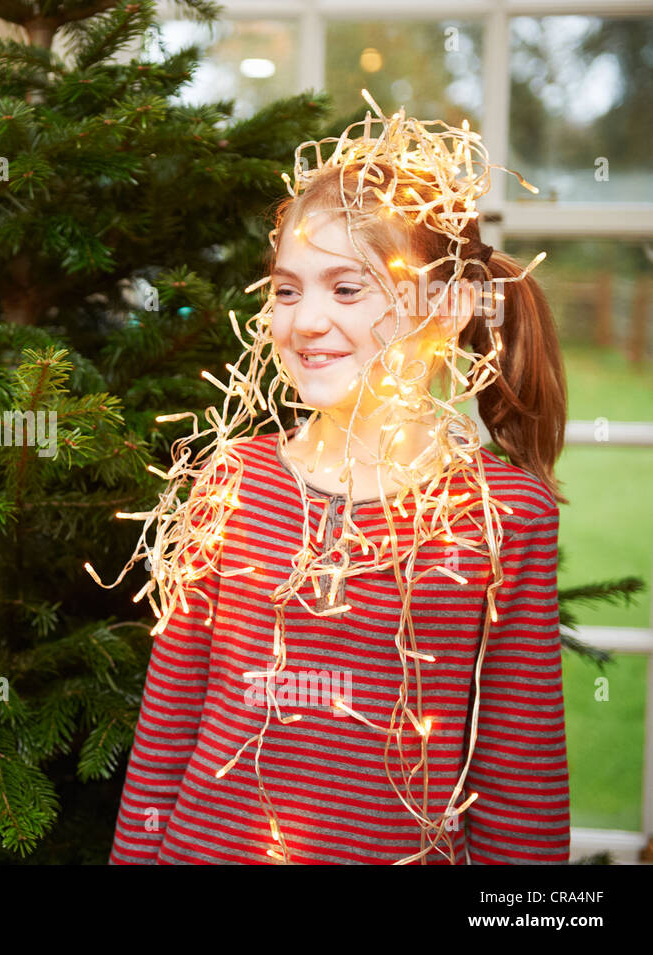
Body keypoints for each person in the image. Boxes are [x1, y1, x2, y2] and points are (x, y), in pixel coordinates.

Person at [105, 98, 569, 864]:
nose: (305, 321)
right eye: (288, 290)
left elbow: (521, 774)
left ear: (447, 307)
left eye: (346, 289)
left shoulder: (500, 515)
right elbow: (166, 728)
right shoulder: (233, 480)